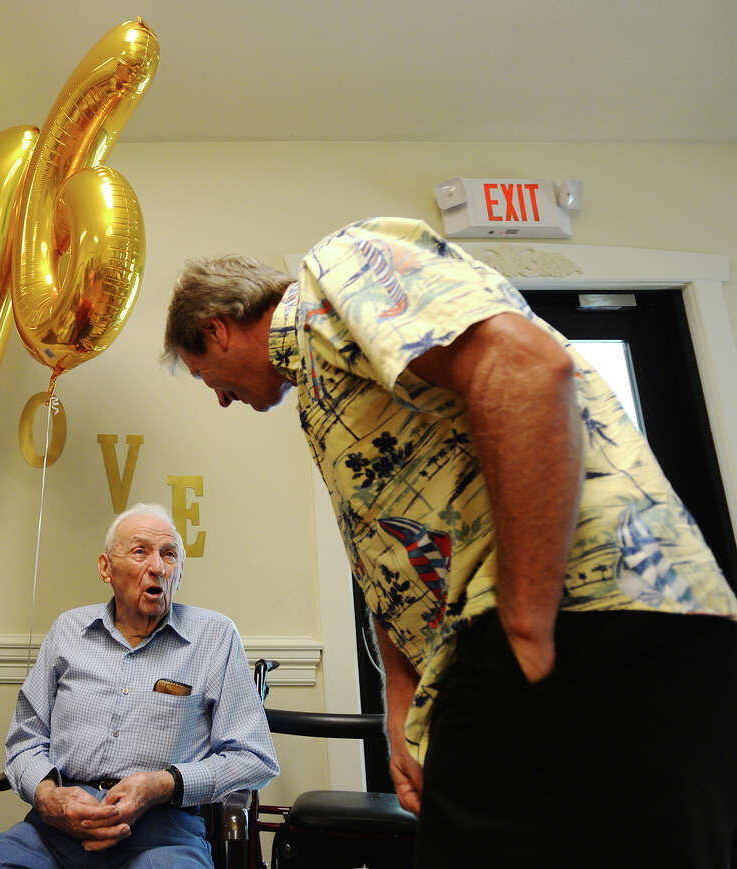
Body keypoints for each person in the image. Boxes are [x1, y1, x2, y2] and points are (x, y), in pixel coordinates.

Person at [163, 217, 737, 868]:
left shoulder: (336, 270)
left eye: (202, 373)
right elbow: (383, 547)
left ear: (214, 328)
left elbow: (523, 366)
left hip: (599, 619)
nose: (217, 398)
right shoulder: (318, 394)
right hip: (517, 640)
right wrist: (401, 703)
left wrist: (524, 620)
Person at [0, 503, 278, 869]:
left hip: (163, 834)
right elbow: (25, 739)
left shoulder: (215, 636)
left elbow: (254, 758)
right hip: (55, 830)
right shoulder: (68, 630)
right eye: (140, 552)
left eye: (169, 555)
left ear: (179, 573)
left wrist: (163, 784)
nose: (157, 567)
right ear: (105, 568)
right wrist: (48, 797)